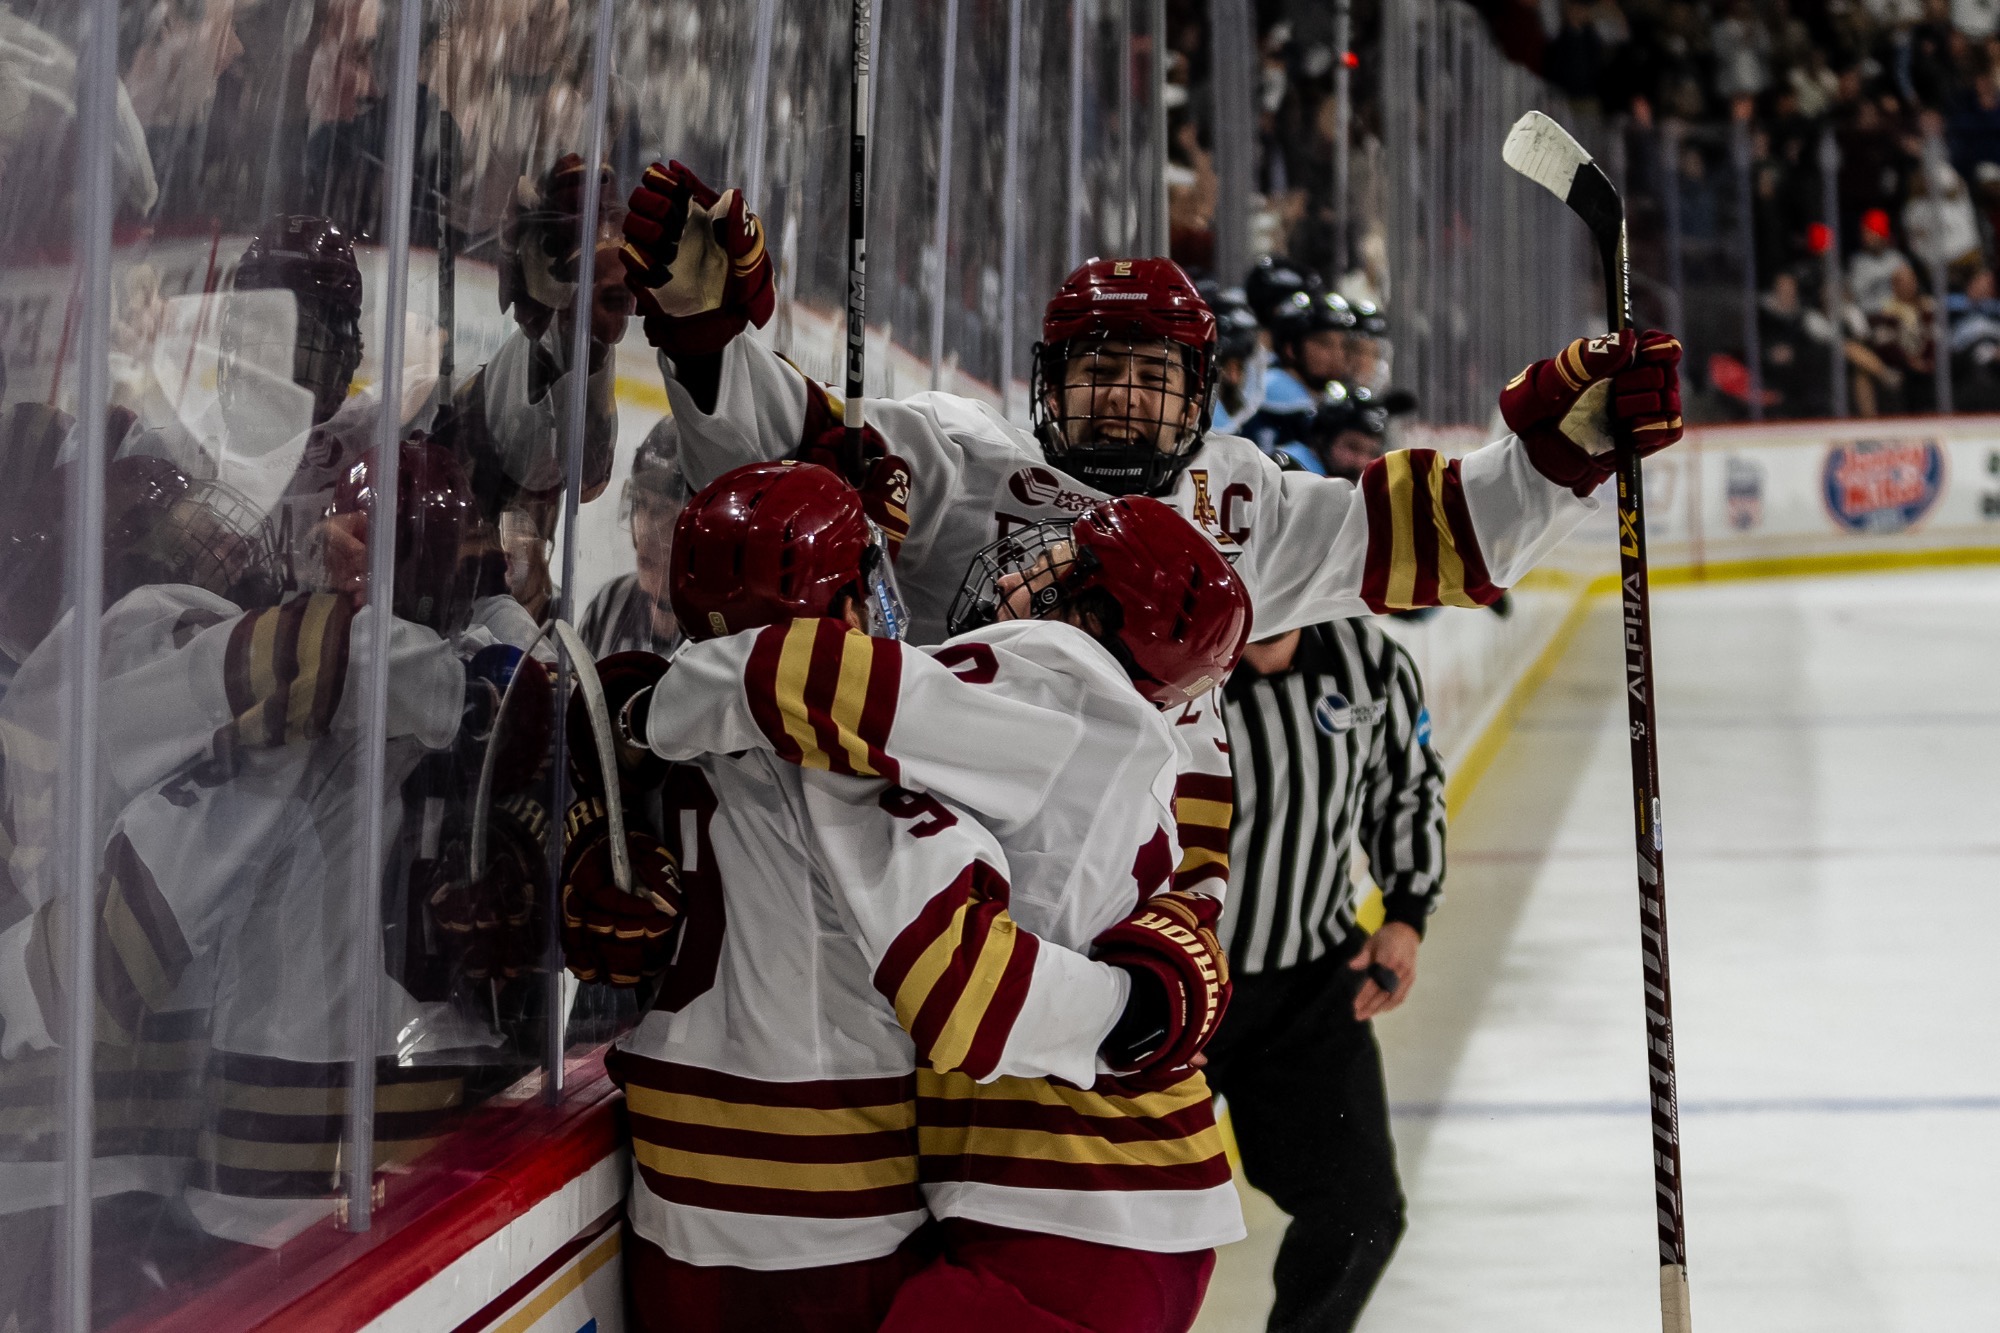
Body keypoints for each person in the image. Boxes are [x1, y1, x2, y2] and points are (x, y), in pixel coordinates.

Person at [565, 462, 1236, 1333]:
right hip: (864, 1208)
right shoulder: (885, 747)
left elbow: (971, 994)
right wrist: (1143, 999)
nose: (1006, 577)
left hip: (700, 1202)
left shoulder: (1038, 685)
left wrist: (632, 718)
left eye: (1055, 569)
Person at [1202, 615, 1445, 1333]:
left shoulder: (1368, 662)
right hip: (1175, 992)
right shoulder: (1174, 661)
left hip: (1309, 980)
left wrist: (1405, 911)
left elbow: (1407, 784)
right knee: (1123, 1223)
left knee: (1361, 1210)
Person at [576, 417, 686, 657]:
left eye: (663, 510)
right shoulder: (608, 606)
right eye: (642, 504)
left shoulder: (721, 632)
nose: (644, 529)